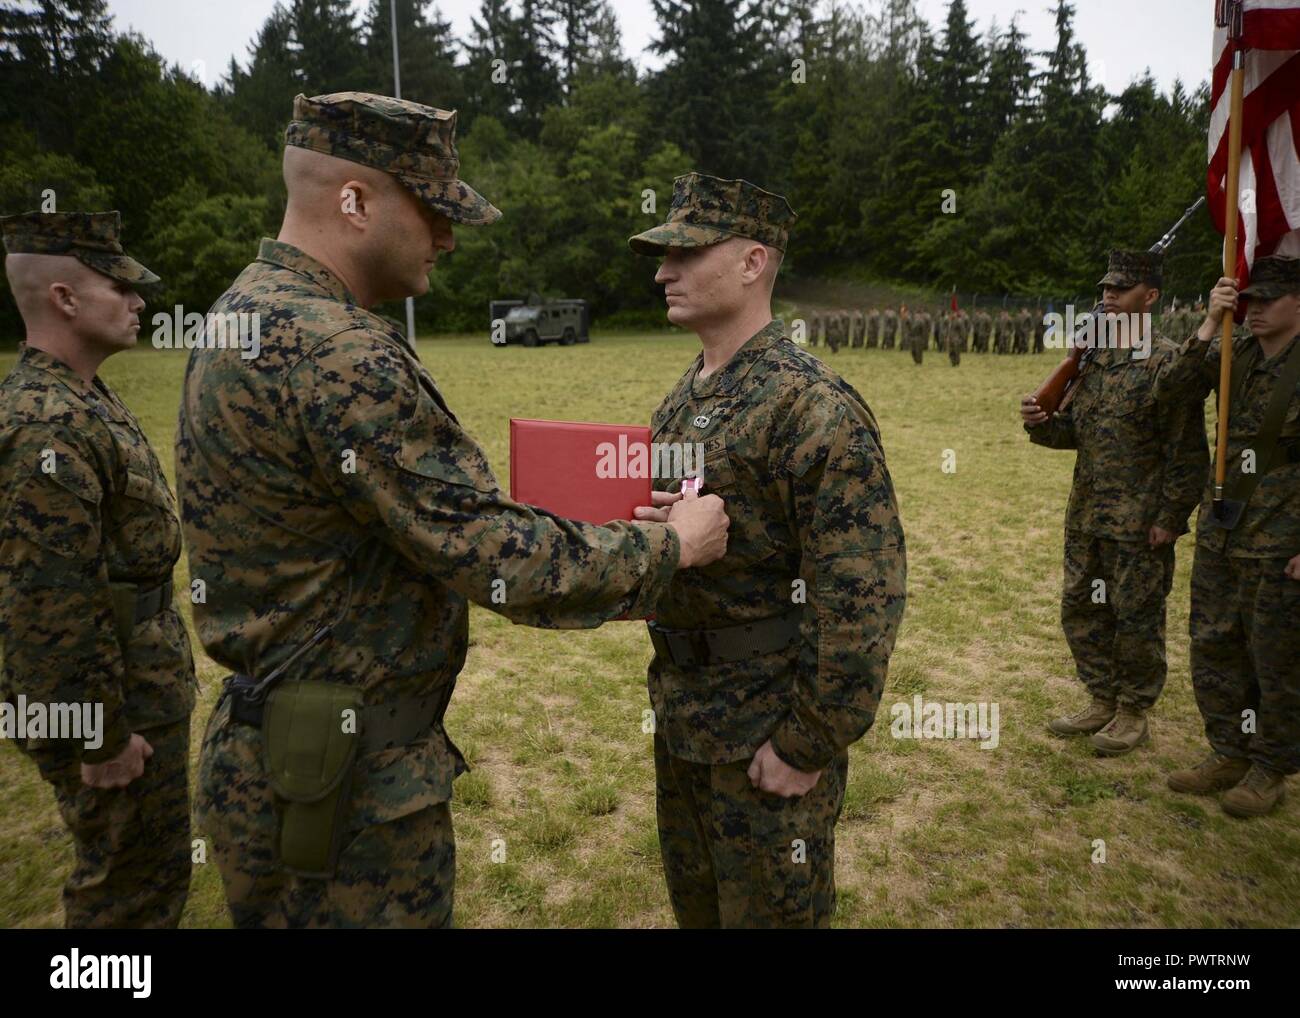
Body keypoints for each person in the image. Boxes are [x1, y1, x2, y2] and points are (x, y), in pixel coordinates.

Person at [176, 92, 730, 928]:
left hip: (282, 753)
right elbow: (492, 552)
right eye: (432, 209)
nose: (448, 235)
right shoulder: (337, 352)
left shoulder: (241, 315)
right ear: (354, 201)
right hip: (350, 784)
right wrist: (671, 549)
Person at [627, 172, 907, 928]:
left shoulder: (811, 406)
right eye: (663, 256)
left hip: (764, 735)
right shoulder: (686, 397)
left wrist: (808, 742)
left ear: (753, 263)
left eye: (685, 254)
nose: (662, 272)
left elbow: (861, 599)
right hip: (686, 718)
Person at [0, 211, 196, 927]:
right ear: (65, 299)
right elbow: (45, 605)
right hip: (112, 713)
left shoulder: (80, 396)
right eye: (123, 287)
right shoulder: (45, 425)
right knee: (125, 900)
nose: (140, 302)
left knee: (148, 881)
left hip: (133, 689)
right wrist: (99, 738)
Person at [1020, 250, 1208, 755]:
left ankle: (1132, 710)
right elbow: (1076, 432)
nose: (1108, 296)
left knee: (1137, 616)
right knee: (1081, 608)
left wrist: (1170, 517)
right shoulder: (1094, 357)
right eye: (1105, 288)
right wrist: (1042, 425)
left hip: (1139, 522)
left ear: (1150, 297)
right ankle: (1101, 698)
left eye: (1120, 289)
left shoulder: (1167, 362)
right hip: (1087, 514)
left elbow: (1188, 451)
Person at [1155, 256, 1300, 817]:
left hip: (1281, 539)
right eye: (1248, 300)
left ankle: (1270, 768)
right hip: (1225, 530)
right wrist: (1211, 323)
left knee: (1278, 658)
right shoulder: (1233, 355)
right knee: (1215, 646)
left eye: (1267, 300)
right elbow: (1172, 390)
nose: (1254, 309)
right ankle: (1229, 750)